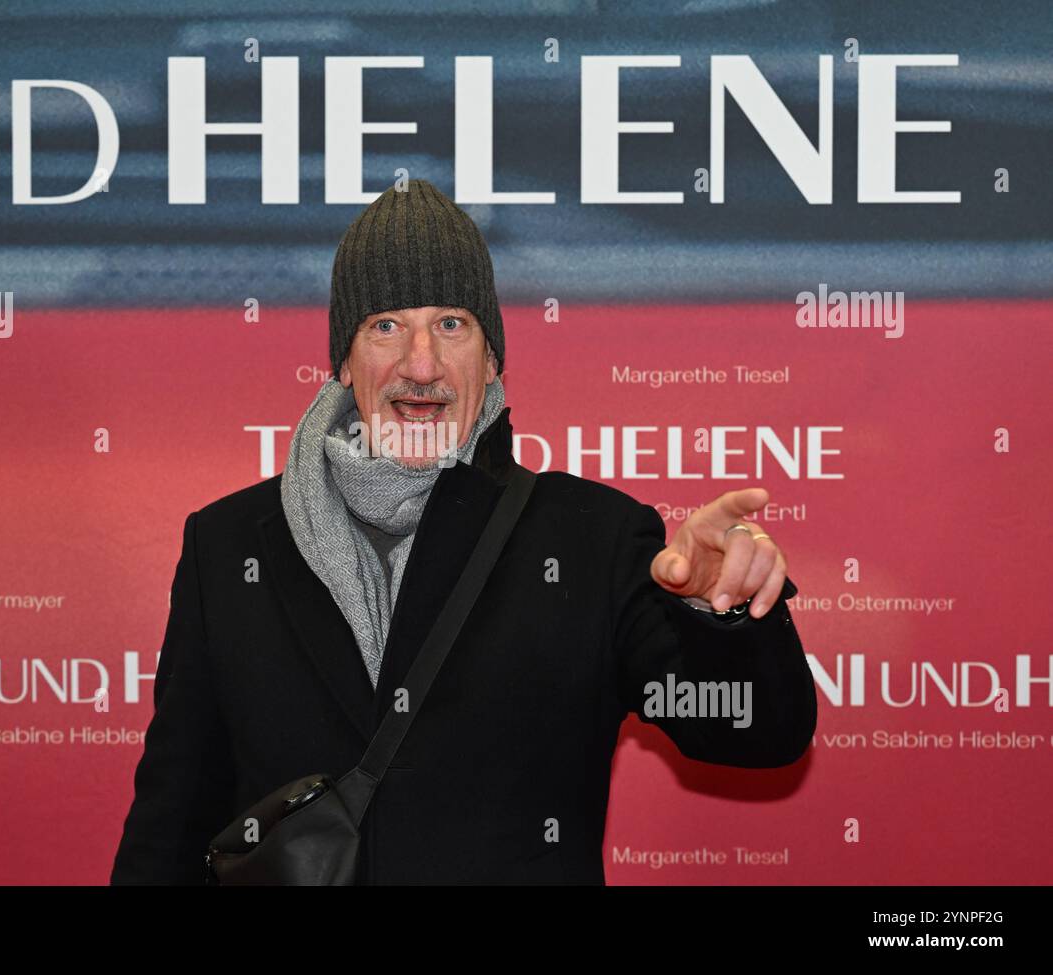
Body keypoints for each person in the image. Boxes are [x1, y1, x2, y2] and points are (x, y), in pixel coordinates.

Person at [110, 179, 817, 885]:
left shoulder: (591, 540)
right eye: (385, 325)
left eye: (452, 324)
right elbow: (169, 829)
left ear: (491, 357)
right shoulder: (229, 547)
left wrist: (719, 612)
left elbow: (759, 733)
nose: (421, 364)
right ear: (345, 361)